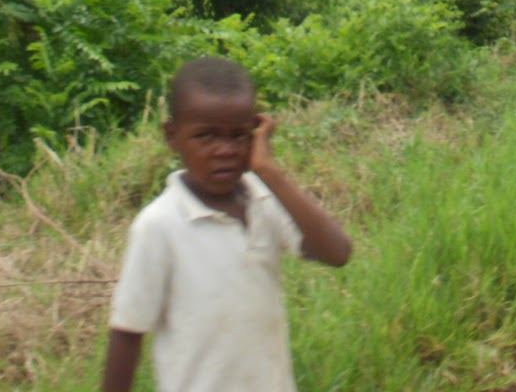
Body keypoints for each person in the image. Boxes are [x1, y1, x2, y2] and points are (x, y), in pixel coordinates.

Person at [102, 57, 353, 392]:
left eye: (239, 135)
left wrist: (269, 171)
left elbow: (337, 252)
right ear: (172, 136)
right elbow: (127, 333)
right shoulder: (159, 225)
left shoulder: (262, 200)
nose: (225, 150)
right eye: (205, 136)